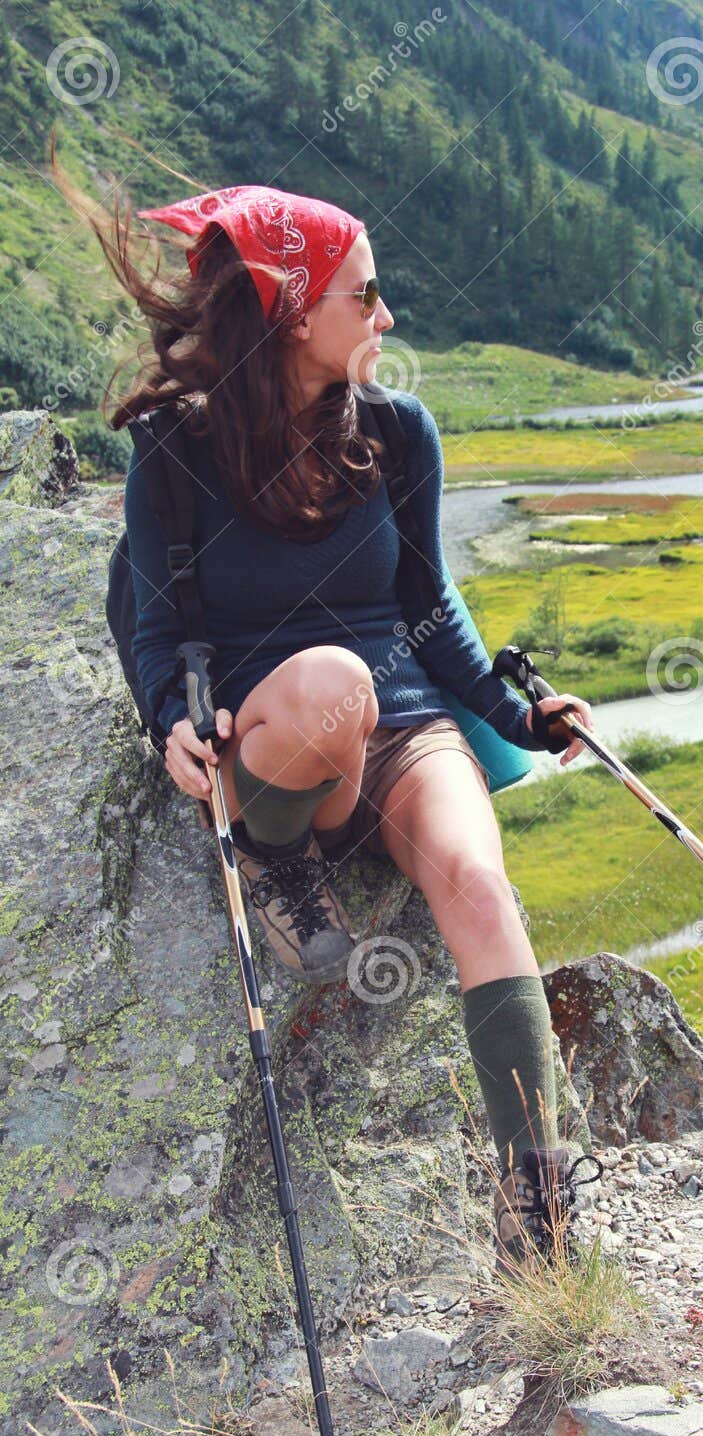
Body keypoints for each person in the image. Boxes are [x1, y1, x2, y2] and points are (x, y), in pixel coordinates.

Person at [54, 160, 600, 1274]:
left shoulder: (396, 431)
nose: (386, 315)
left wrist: (514, 710)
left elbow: (428, 604)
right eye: (365, 292)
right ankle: (275, 856)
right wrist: (170, 718)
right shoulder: (174, 446)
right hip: (282, 728)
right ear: (292, 310)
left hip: (401, 727)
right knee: (328, 684)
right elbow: (152, 619)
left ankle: (535, 1222)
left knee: (480, 887)